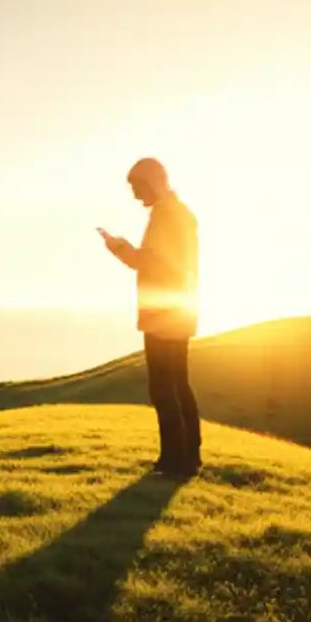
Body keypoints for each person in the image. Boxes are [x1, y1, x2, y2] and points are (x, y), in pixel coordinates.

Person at [99, 158, 201, 477]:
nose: (134, 195)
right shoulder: (179, 213)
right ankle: (189, 455)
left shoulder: (167, 216)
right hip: (180, 310)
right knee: (178, 384)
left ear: (152, 183)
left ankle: (174, 462)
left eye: (137, 187)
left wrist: (118, 247)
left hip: (163, 314)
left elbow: (152, 261)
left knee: (162, 388)